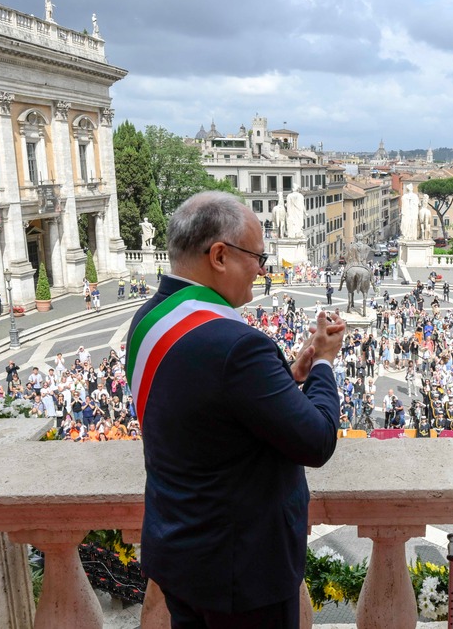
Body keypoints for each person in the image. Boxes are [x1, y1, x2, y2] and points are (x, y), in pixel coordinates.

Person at [127, 191, 345, 625]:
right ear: (220, 256)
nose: (263, 270)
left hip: (180, 552)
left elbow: (212, 410)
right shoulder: (236, 345)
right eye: (258, 257)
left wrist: (290, 375)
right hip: (241, 572)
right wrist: (322, 363)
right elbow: (317, 440)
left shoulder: (150, 317)